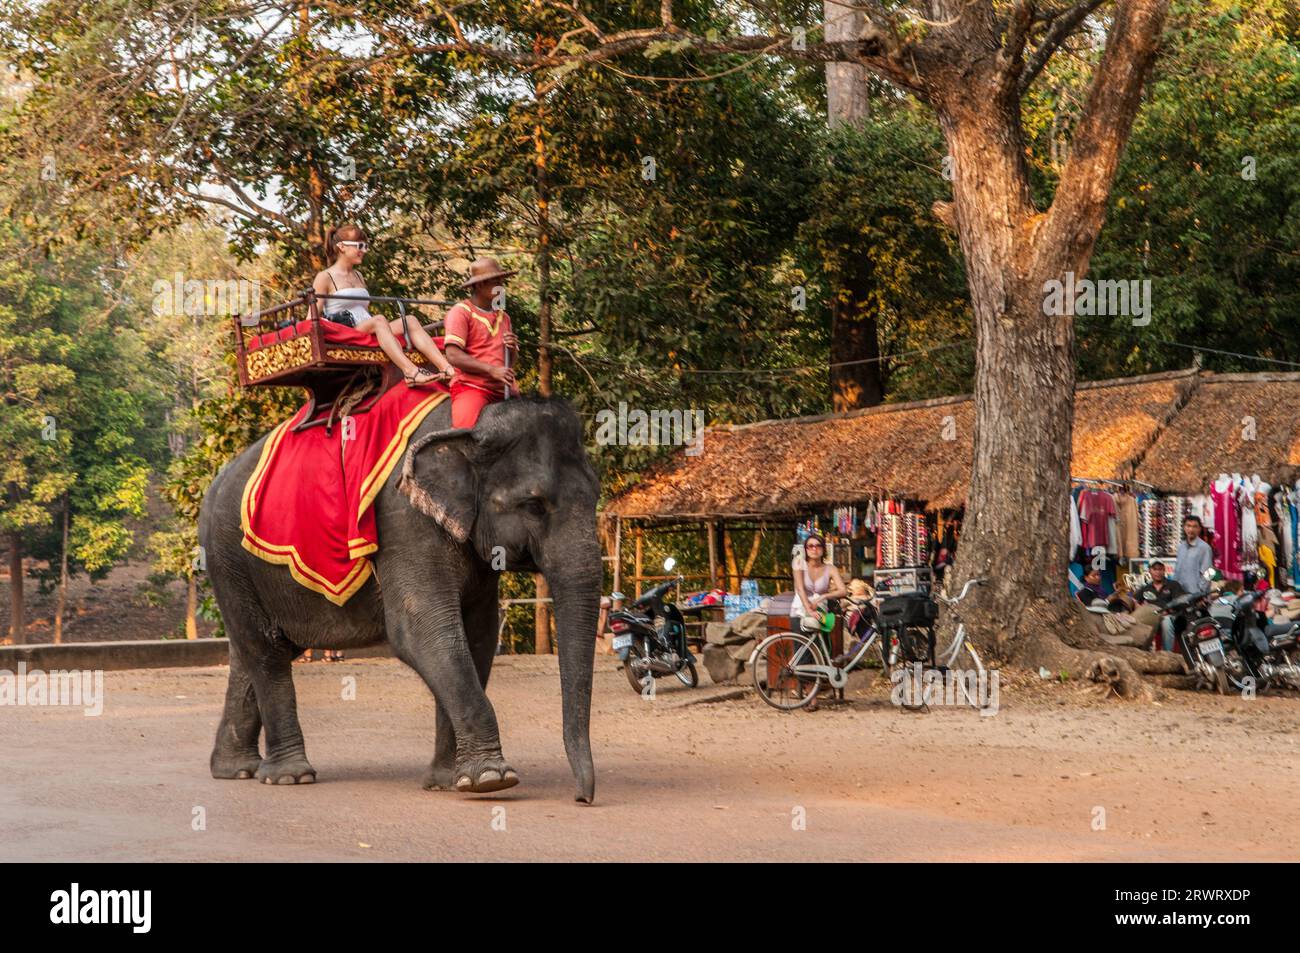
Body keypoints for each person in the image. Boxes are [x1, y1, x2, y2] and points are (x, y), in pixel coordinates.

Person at [312, 224, 456, 387]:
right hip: (347, 330)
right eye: (360, 246)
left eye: (365, 246)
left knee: (409, 320)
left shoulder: (358, 275)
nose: (364, 250)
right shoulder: (324, 277)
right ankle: (410, 372)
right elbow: (311, 318)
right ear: (342, 247)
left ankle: (446, 368)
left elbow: (363, 311)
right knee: (379, 320)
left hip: (368, 326)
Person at [443, 257, 520, 428]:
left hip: (506, 389)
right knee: (465, 433)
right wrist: (492, 370)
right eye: (496, 282)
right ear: (478, 285)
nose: (502, 286)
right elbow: (453, 355)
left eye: (502, 281)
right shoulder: (461, 312)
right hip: (472, 388)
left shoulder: (504, 317)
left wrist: (512, 348)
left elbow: (511, 362)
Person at [1135, 561, 1186, 652]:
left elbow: (1179, 602)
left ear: (1164, 570)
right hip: (1151, 616)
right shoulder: (1146, 588)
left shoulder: (1173, 585)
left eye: (1160, 569)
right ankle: (1143, 652)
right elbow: (1134, 600)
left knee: (1166, 622)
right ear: (1150, 571)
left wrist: (1168, 611)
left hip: (1170, 616)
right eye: (1155, 569)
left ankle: (1167, 654)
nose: (1158, 572)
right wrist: (1138, 606)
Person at [1173, 515, 1215, 595]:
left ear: (1199, 529)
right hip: (1179, 593)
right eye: (1188, 526)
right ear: (1184, 527)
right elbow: (1177, 570)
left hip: (1195, 595)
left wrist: (1201, 592)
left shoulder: (1204, 548)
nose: (1191, 529)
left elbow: (1209, 573)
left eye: (1194, 526)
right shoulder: (1181, 547)